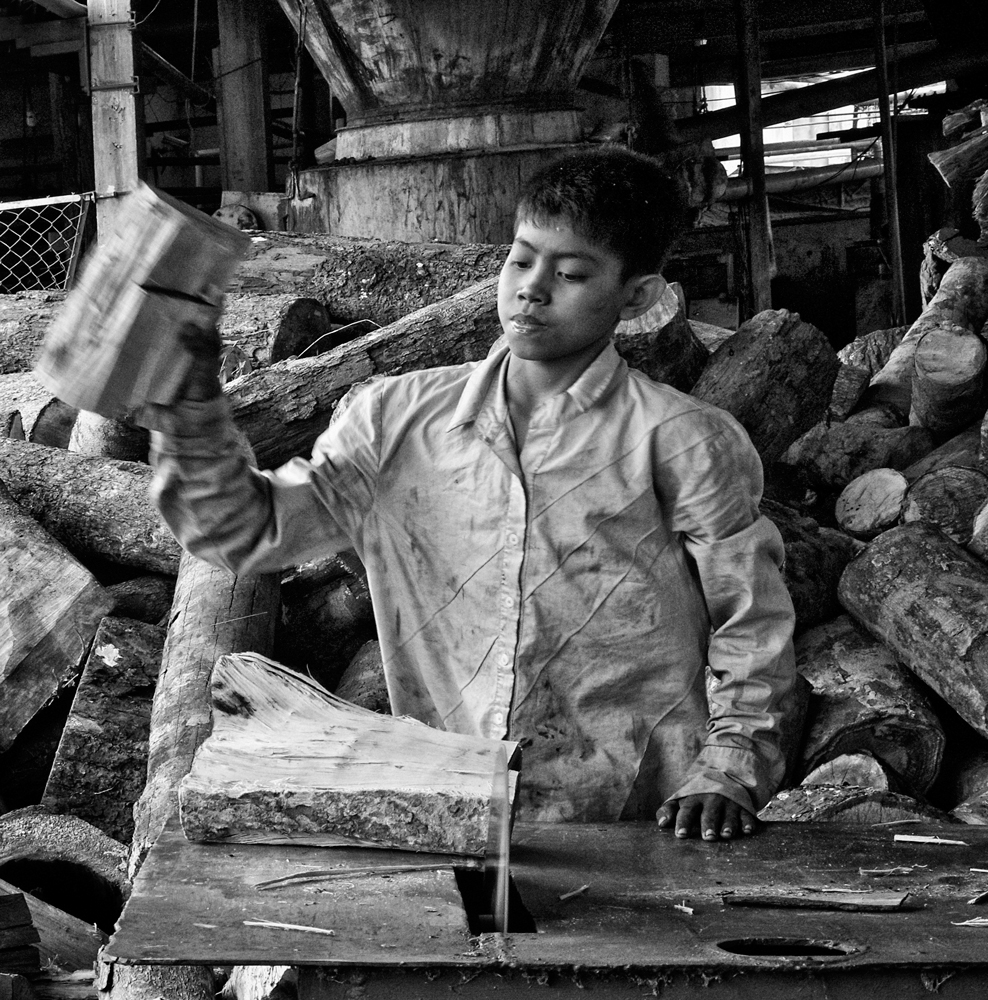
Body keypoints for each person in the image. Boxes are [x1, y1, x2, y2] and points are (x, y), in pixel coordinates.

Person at [145, 145, 798, 841]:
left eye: (572, 273)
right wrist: (186, 410)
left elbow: (750, 618)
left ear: (636, 297)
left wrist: (728, 766)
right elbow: (248, 532)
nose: (532, 289)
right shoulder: (394, 420)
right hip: (448, 806)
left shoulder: (684, 440)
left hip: (635, 815)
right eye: (521, 260)